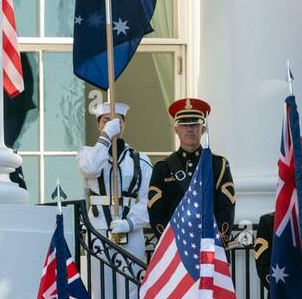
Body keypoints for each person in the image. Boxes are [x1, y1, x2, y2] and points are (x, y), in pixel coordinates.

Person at [148, 97, 235, 241]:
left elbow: (226, 209)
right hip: (175, 250)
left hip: (209, 249)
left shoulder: (218, 165)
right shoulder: (162, 168)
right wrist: (172, 243)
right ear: (176, 129)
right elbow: (156, 213)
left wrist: (215, 242)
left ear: (203, 128)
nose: (189, 129)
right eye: (184, 124)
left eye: (195, 124)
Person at [77, 101, 153, 258]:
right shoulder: (87, 154)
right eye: (106, 120)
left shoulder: (140, 160)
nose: (111, 124)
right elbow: (91, 168)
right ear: (99, 125)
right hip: (98, 229)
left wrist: (130, 223)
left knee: (130, 280)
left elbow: (149, 199)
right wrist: (106, 136)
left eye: (117, 120)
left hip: (131, 230)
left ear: (124, 124)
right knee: (100, 281)